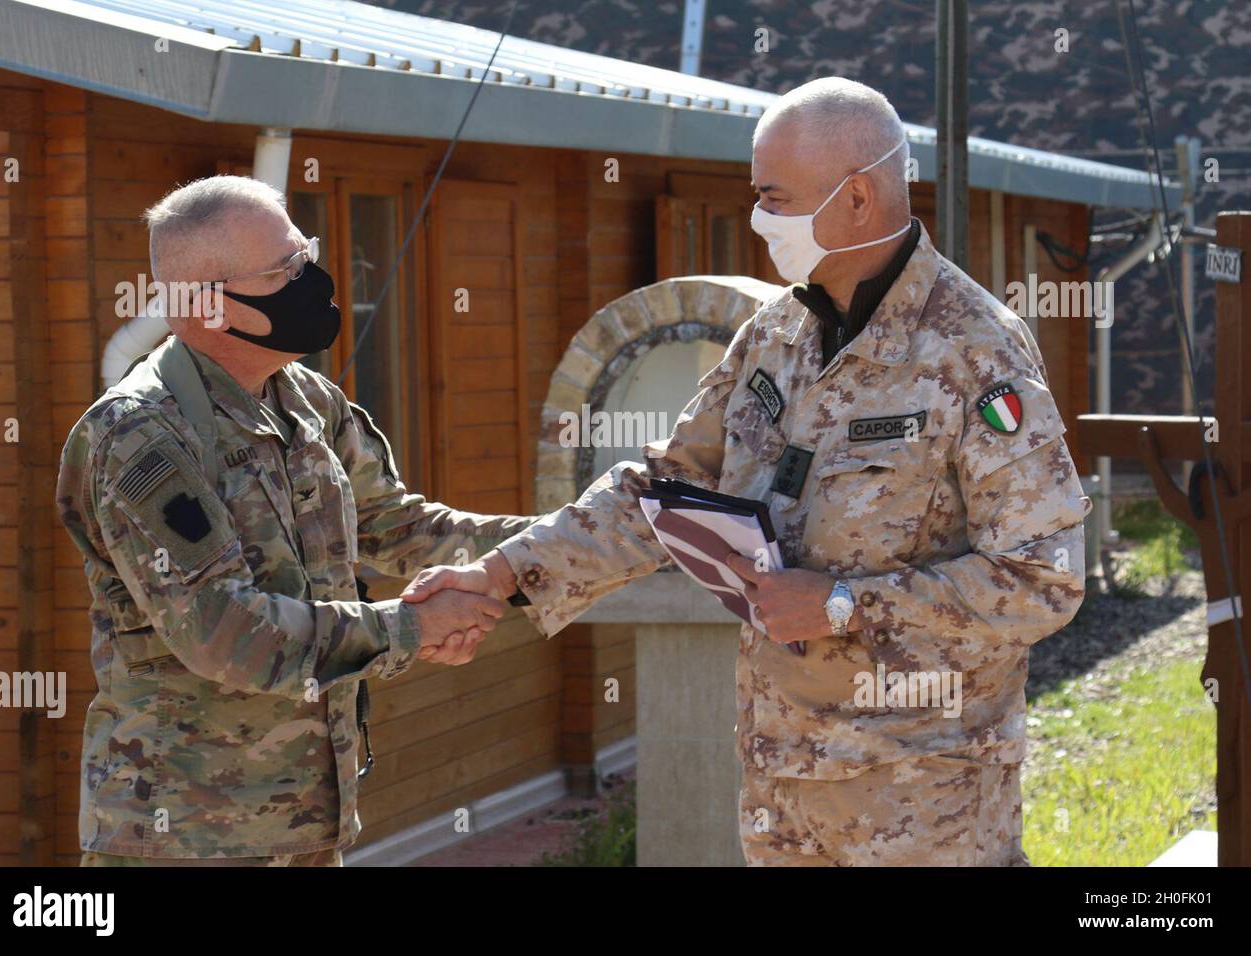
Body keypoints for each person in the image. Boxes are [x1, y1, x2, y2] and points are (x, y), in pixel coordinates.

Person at [402, 78, 1091, 866]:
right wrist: (496, 576)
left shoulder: (976, 350)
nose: (760, 218)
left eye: (775, 197)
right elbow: (661, 492)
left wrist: (841, 605)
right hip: (782, 793)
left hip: (921, 803)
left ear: (858, 198)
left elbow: (1045, 576)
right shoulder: (775, 335)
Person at [57, 176, 531, 866]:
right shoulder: (141, 437)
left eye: (305, 256)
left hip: (309, 824)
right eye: (287, 269)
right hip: (188, 837)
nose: (315, 280)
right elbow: (227, 632)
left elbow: (398, 524)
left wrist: (563, 543)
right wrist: (415, 625)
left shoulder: (305, 397)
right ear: (214, 308)